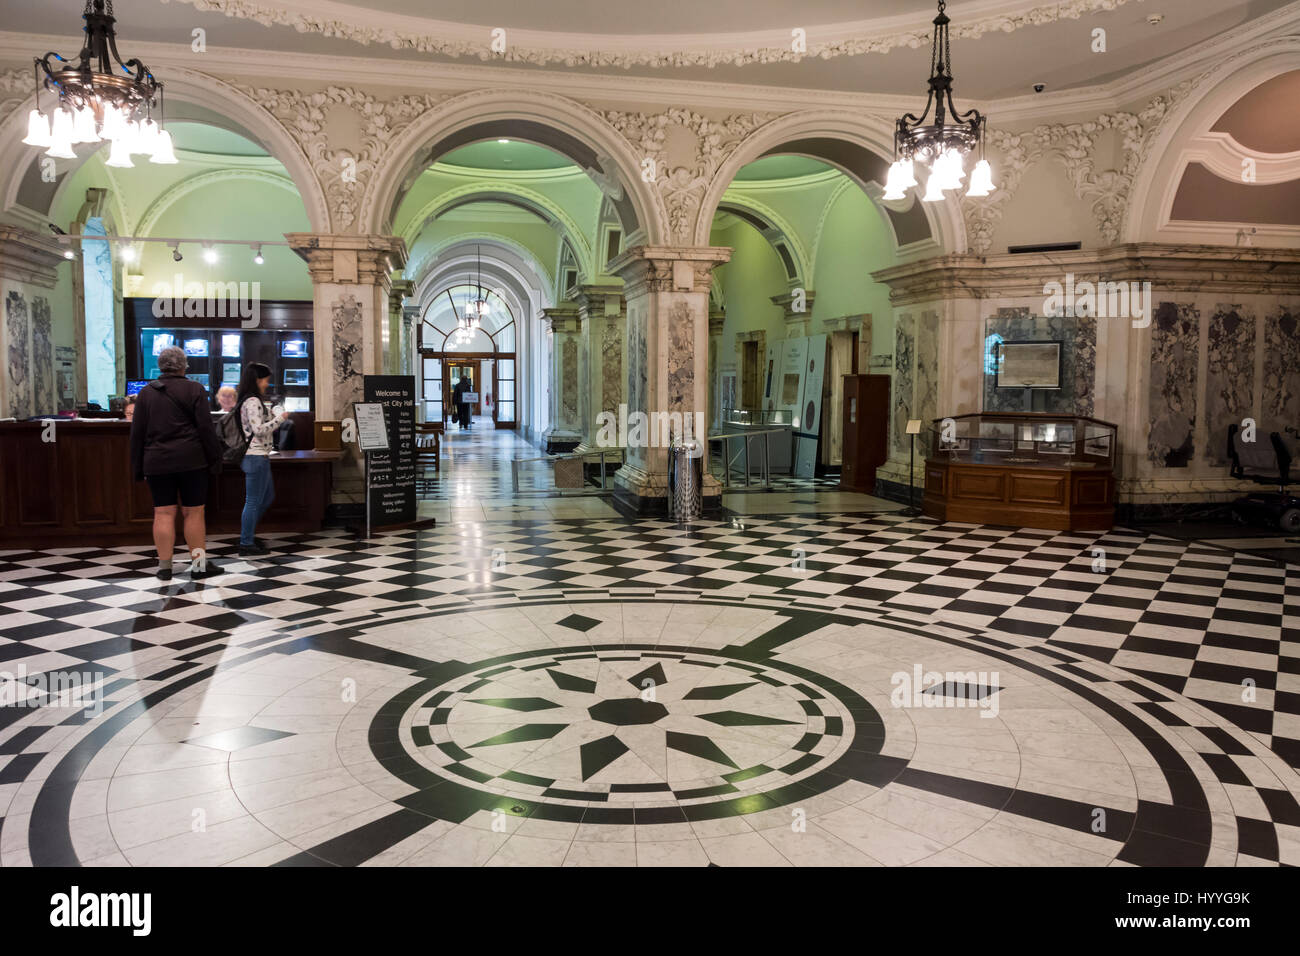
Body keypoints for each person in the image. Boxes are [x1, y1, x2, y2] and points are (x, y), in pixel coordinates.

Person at [129, 346, 222, 581]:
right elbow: (205, 429)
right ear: (184, 366)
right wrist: (215, 459)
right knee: (194, 512)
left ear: (160, 366)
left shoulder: (146, 394)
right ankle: (199, 565)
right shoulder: (195, 389)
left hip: (157, 461)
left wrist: (137, 467)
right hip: (191, 460)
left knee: (163, 512)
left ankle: (165, 567)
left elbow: (137, 433)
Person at [234, 362, 288, 557]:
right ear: (257, 380)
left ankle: (248, 535)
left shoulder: (249, 401)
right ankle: (246, 542)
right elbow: (258, 430)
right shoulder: (253, 402)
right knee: (254, 501)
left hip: (258, 456)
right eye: (265, 380)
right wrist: (280, 419)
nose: (267, 383)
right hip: (255, 456)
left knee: (265, 498)